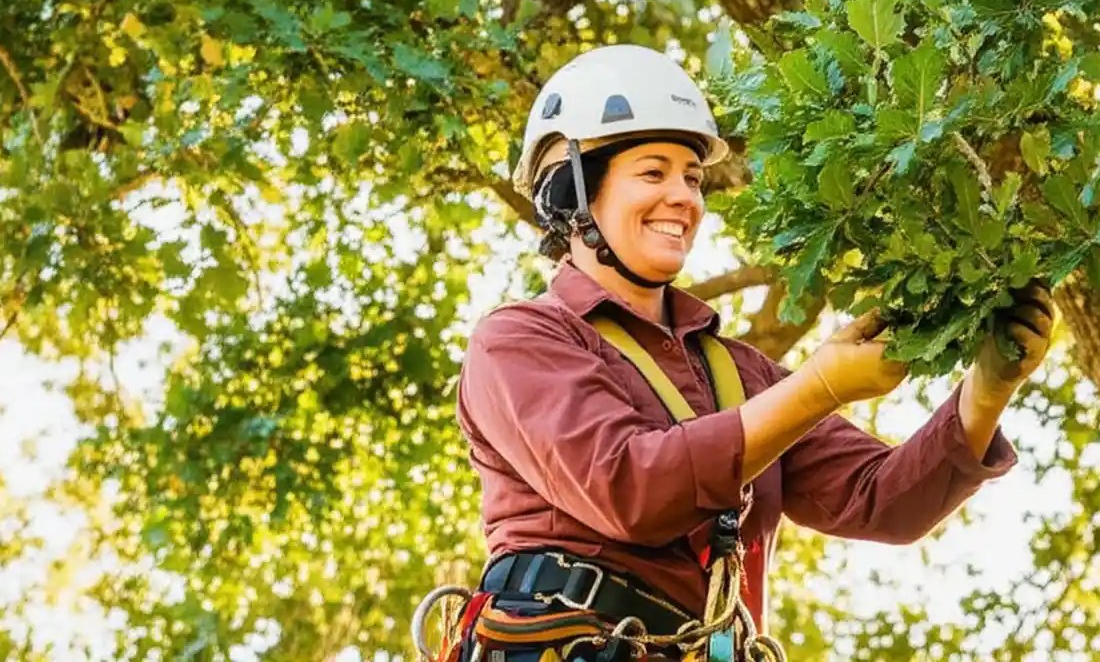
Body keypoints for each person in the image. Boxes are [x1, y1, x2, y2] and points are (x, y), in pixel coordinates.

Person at [449, 45, 1055, 661]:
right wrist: (820, 387)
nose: (684, 197)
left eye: (692, 176)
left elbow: (882, 501)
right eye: (653, 173)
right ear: (572, 193)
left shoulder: (737, 374)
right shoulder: (522, 341)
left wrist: (989, 385)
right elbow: (627, 488)